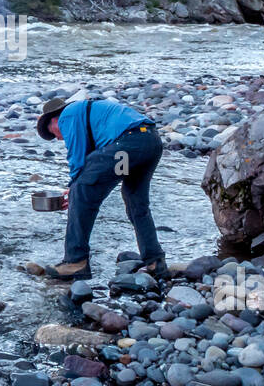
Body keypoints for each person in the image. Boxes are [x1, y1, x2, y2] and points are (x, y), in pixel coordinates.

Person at [33, 96, 167, 281]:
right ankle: (155, 261)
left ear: (54, 119)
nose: (57, 137)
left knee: (81, 191)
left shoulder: (68, 115)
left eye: (53, 132)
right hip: (149, 142)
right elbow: (94, 162)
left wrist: (74, 188)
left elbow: (77, 158)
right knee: (136, 202)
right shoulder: (90, 115)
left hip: (126, 145)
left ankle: (75, 262)